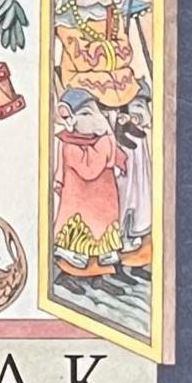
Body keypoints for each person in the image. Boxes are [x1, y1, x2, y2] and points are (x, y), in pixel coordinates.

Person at [51, 86, 127, 283]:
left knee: (104, 223)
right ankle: (72, 257)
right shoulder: (70, 144)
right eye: (85, 114)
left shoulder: (98, 137)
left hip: (104, 196)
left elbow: (116, 156)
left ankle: (105, 253)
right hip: (82, 198)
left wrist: (118, 157)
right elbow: (89, 169)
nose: (97, 118)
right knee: (83, 225)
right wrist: (107, 143)